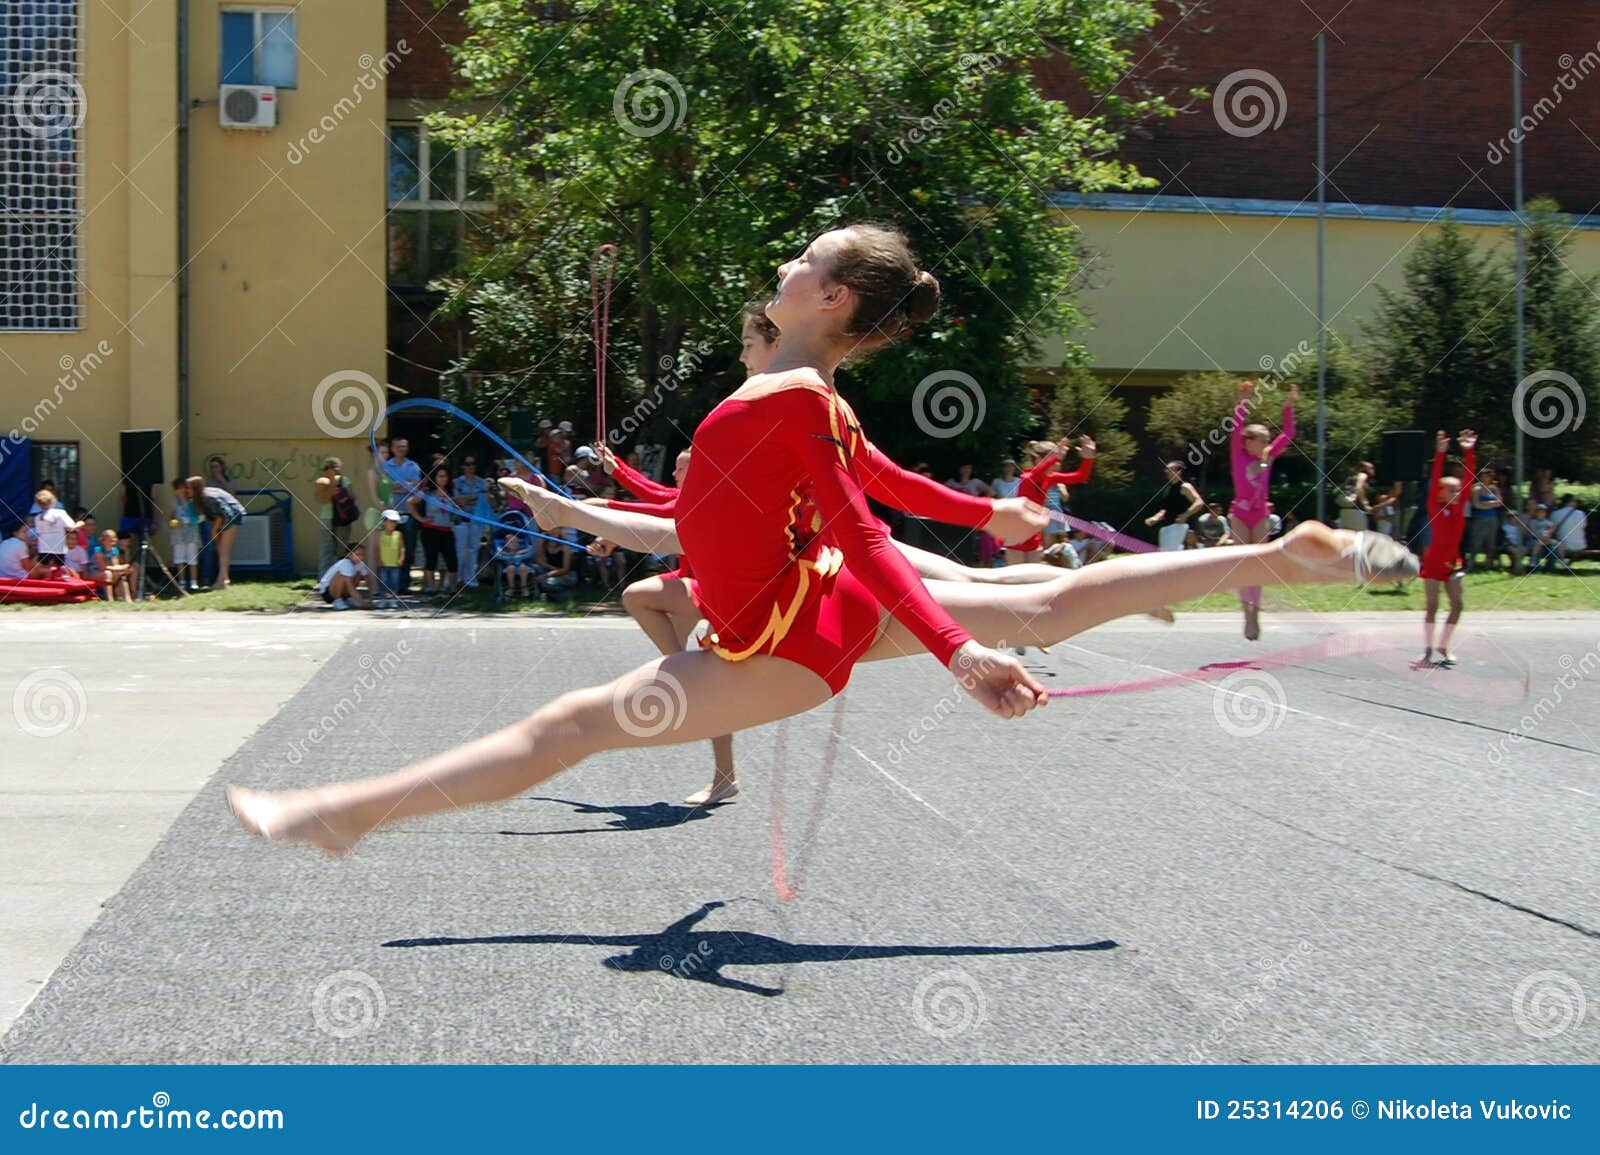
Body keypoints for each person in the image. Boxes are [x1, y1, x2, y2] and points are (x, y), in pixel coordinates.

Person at [229, 222, 1416, 856]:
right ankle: (1278, 555)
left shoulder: (796, 397)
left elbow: (863, 522)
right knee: (1050, 607)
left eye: (808, 261)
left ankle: (344, 814)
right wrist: (982, 515)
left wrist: (953, 653)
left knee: (572, 725)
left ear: (835, 299)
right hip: (800, 610)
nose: (788, 265)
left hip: (787, 638)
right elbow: (892, 486)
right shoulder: (812, 398)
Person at [1228, 380, 1298, 641]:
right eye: (1263, 439)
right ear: (1248, 442)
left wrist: (1288, 406)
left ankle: (1254, 612)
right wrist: (1243, 401)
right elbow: (1236, 429)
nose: (1268, 443)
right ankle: (1245, 611)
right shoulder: (1239, 454)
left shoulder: (1268, 456)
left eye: (1269, 440)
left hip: (1260, 514)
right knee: (1241, 562)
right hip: (1239, 513)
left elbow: (1288, 433)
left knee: (1257, 564)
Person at [1418, 429, 1476, 668]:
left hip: (1453, 562)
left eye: (1458, 490)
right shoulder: (1435, 506)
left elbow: (1470, 479)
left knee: (1457, 605)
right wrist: (1440, 453)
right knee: (1432, 606)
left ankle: (1444, 644)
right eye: (1451, 489)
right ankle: (1428, 650)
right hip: (1433, 563)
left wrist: (1469, 450)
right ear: (1441, 493)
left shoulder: (1460, 506)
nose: (1457, 493)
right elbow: (1434, 482)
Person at [1006, 437, 1095, 566]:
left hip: (1033, 534)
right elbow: (1036, 475)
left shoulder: (1051, 478)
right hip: (1016, 533)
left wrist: (1088, 458)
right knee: (1015, 579)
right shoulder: (1027, 478)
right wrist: (1056, 456)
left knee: (1035, 579)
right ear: (1038, 459)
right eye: (1053, 460)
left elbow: (1081, 477)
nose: (1057, 464)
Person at [408, 465, 461, 594]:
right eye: (440, 476)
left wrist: (457, 511)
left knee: (452, 560)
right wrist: (421, 519)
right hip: (430, 530)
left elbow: (457, 509)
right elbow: (410, 502)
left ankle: (453, 590)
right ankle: (432, 589)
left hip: (447, 529)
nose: (443, 479)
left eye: (445, 476)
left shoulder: (452, 492)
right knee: (431, 559)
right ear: (435, 477)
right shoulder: (427, 492)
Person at [187, 475, 246, 589]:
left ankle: (222, 582)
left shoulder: (207, 498)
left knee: (223, 551)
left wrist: (214, 532)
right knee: (221, 550)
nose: (187, 490)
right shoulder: (204, 494)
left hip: (232, 517)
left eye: (188, 488)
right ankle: (223, 579)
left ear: (195, 488)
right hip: (226, 518)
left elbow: (219, 517)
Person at [383, 437, 424, 592]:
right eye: (399, 446)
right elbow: (386, 488)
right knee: (389, 549)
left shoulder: (413, 466)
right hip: (391, 513)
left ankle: (403, 585)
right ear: (393, 448)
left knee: (408, 549)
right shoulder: (386, 466)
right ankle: (389, 584)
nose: (402, 449)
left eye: (404, 446)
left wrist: (398, 486)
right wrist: (406, 485)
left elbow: (415, 487)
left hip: (408, 513)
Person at [1145, 461, 1205, 551]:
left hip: (1178, 527)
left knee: (1169, 556)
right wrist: (1155, 518)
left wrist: (1185, 515)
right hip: (1166, 528)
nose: (1166, 471)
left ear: (1178, 472)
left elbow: (1199, 502)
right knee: (1167, 556)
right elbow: (1165, 510)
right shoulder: (1168, 489)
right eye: (1166, 469)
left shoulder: (1184, 486)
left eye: (1169, 469)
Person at [313, 458, 356, 578]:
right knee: (340, 550)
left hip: (331, 518)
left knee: (327, 550)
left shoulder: (326, 480)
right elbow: (352, 497)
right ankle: (339, 576)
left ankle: (325, 577)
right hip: (340, 518)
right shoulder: (339, 480)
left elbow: (319, 499)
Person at [453, 457, 491, 588]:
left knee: (473, 549)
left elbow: (484, 499)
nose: (470, 467)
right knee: (460, 549)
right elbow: (458, 500)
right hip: (461, 520)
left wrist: (467, 499)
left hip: (477, 519)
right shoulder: (456, 482)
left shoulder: (482, 483)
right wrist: (475, 498)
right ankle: (458, 577)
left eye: (473, 464)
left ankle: (471, 579)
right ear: (463, 466)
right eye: (467, 464)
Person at [1463, 468, 1504, 572]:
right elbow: (1476, 505)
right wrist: (1492, 504)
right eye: (1484, 476)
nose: (1486, 478)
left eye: (1489, 476)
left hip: (1492, 519)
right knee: (1476, 542)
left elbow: (1499, 503)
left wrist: (1485, 504)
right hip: (1479, 519)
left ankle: (1488, 565)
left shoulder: (1494, 488)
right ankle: (1470, 565)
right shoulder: (1476, 488)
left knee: (1491, 542)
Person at [30, 489, 82, 570]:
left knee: (44, 569)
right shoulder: (60, 513)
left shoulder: (38, 518)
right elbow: (72, 527)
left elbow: (39, 534)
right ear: (53, 501)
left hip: (44, 549)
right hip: (59, 549)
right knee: (60, 569)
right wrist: (80, 523)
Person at [168, 476, 202, 591]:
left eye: (184, 488)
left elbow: (200, 517)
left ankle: (193, 581)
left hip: (191, 533)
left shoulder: (193, 501)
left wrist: (187, 520)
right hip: (178, 534)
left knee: (192, 558)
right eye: (179, 488)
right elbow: (171, 518)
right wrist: (173, 523)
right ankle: (182, 581)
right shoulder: (174, 502)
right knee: (179, 558)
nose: (183, 490)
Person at [318, 542, 371, 610]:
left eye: (362, 555)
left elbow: (368, 581)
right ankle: (337, 600)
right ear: (349, 555)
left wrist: (373, 597)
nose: (360, 557)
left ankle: (348, 598)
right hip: (328, 593)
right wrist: (362, 602)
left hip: (343, 592)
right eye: (357, 554)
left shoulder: (361, 564)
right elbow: (350, 586)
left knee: (359, 573)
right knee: (341, 575)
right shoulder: (345, 563)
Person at [374, 509, 406, 608]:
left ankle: (393, 599)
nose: (393, 524)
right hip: (383, 564)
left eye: (395, 522)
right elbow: (377, 549)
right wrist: (378, 559)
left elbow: (402, 548)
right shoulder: (380, 534)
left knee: (394, 582)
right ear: (384, 522)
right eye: (391, 521)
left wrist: (401, 558)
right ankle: (383, 599)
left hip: (395, 564)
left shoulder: (398, 534)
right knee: (383, 582)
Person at [1548, 494, 1588, 573]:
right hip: (1580, 545)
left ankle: (1560, 565)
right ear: (1572, 502)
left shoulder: (1555, 514)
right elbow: (1584, 527)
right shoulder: (1581, 513)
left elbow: (1552, 530)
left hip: (1562, 546)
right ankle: (1566, 565)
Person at [1335, 461, 1373, 533]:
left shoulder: (1350, 477)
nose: (1372, 470)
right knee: (1362, 536)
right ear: (1364, 468)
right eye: (1371, 468)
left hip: (1344, 509)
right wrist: (1366, 504)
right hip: (1357, 510)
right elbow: (1359, 488)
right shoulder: (1363, 475)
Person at [1526, 503, 1559, 573]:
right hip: (1535, 541)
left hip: (1546, 541)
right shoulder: (1533, 522)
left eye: (1543, 512)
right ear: (1536, 513)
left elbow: (1553, 528)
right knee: (1538, 544)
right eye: (1539, 512)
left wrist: (1549, 533)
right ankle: (1533, 562)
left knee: (1555, 547)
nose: (1541, 513)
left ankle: (1554, 566)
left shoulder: (1548, 522)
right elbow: (1534, 533)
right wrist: (1543, 538)